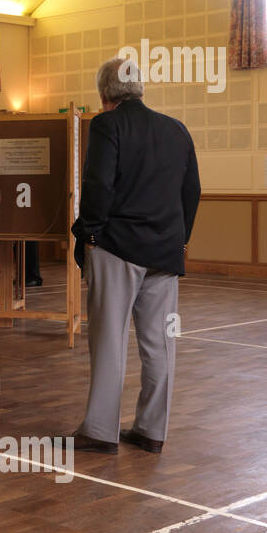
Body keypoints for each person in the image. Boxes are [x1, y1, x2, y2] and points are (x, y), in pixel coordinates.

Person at [65, 57, 201, 454]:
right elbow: (191, 192)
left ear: (104, 93)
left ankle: (100, 431)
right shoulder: (177, 129)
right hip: (165, 250)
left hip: (118, 247)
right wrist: (180, 240)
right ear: (139, 87)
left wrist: (88, 232)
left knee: (109, 338)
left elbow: (98, 184)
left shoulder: (107, 124)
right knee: (159, 345)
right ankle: (151, 431)